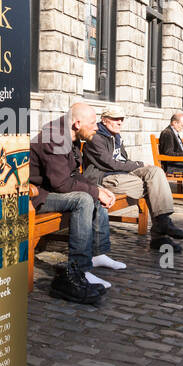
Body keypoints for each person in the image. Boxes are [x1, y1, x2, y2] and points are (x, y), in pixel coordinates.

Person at [29, 104, 118, 304]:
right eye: (93, 123)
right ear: (77, 124)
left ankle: (97, 254)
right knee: (84, 199)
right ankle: (79, 271)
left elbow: (73, 174)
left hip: (50, 189)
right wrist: (94, 192)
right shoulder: (54, 138)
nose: (97, 127)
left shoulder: (72, 136)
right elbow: (61, 184)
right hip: (35, 196)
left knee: (93, 193)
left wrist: (99, 189)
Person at [81, 106, 183, 244]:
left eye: (121, 119)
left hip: (122, 173)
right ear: (104, 120)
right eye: (115, 119)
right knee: (152, 186)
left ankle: (163, 220)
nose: (119, 122)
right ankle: (159, 235)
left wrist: (140, 165)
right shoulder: (96, 137)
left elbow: (123, 160)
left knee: (155, 171)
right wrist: (138, 165)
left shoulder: (116, 136)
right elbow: (109, 164)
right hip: (104, 176)